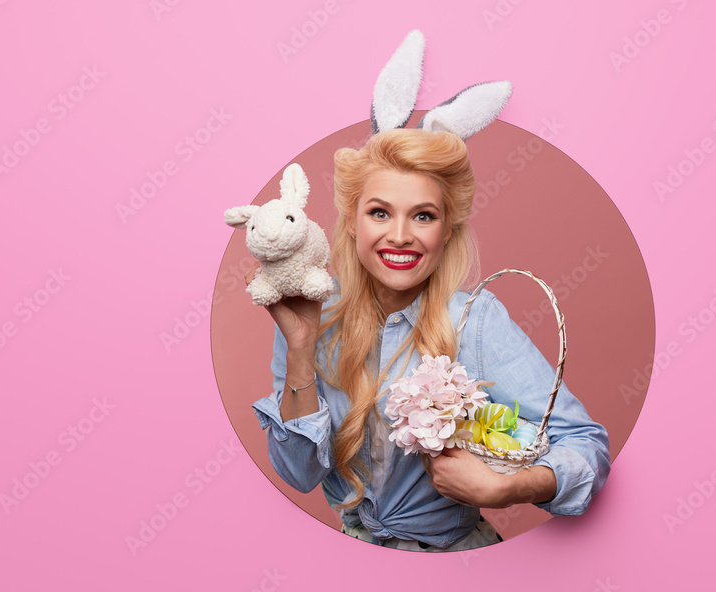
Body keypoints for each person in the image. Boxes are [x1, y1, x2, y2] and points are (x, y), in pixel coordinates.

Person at [251, 128, 610, 551]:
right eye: (380, 213)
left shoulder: (474, 320)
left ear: (447, 229)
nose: (401, 235)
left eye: (423, 216)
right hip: (350, 566)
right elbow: (299, 473)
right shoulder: (312, 313)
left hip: (459, 571)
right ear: (352, 220)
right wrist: (300, 345)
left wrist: (507, 490)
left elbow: (587, 446)